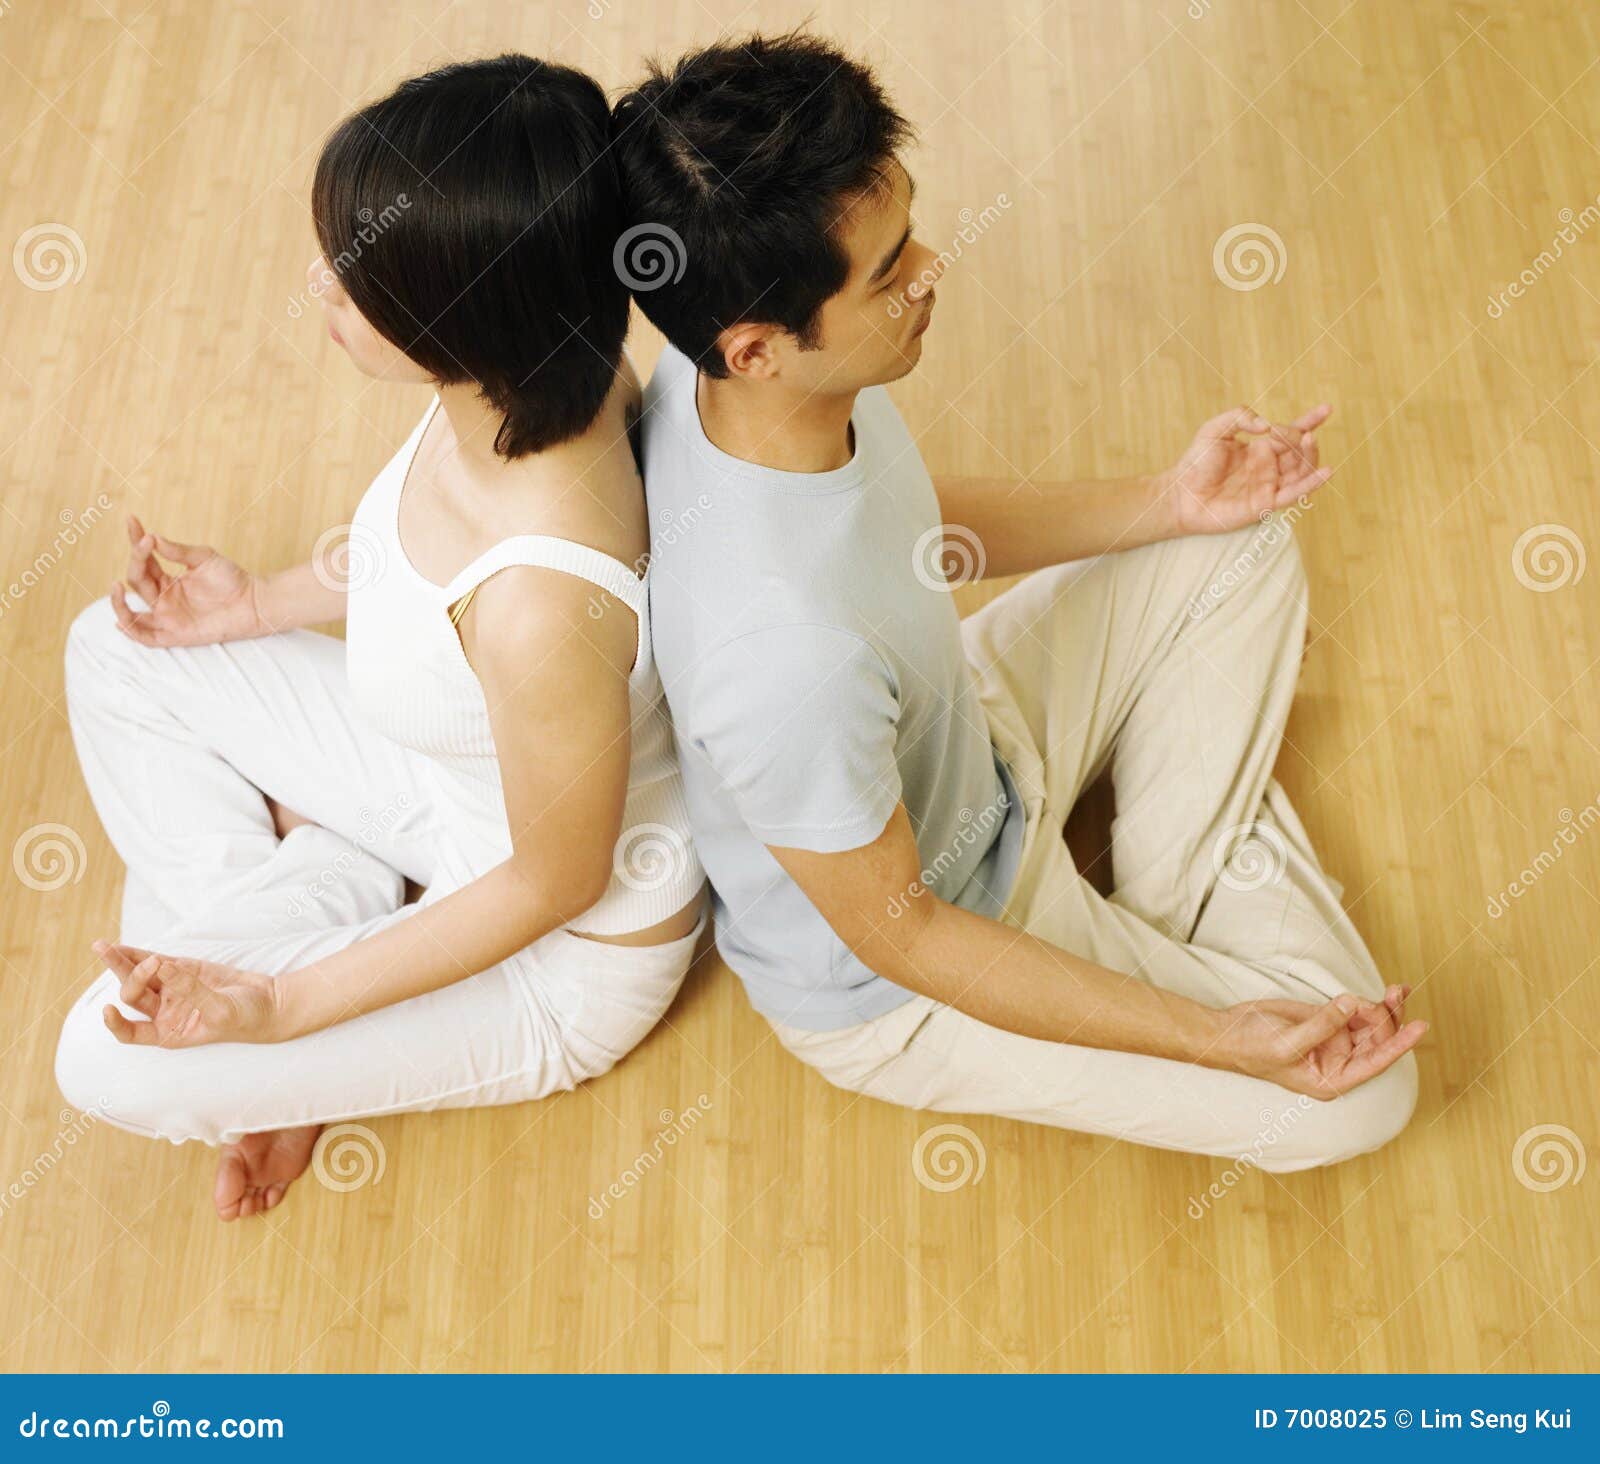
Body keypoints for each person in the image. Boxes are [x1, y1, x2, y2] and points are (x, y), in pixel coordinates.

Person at [611, 31, 1424, 1172]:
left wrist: (1168, 503)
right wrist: (1211, 1037)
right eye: (888, 272)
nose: (930, 269)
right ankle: (1196, 927)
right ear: (757, 348)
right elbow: (904, 935)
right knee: (1358, 1101)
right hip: (926, 961)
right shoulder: (779, 661)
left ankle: (1169, 886)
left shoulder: (726, 379)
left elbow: (900, 524)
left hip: (965, 737)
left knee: (1241, 545)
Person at [54, 55, 705, 1219]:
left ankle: (308, 927)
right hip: (437, 787)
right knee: (117, 648)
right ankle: (326, 884)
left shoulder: (543, 606)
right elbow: (415, 547)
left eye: (360, 286)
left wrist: (284, 1013)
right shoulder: (543, 366)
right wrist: (253, 606)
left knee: (97, 1059)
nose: (321, 287)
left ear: (464, 316)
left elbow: (555, 882)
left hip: (547, 956)